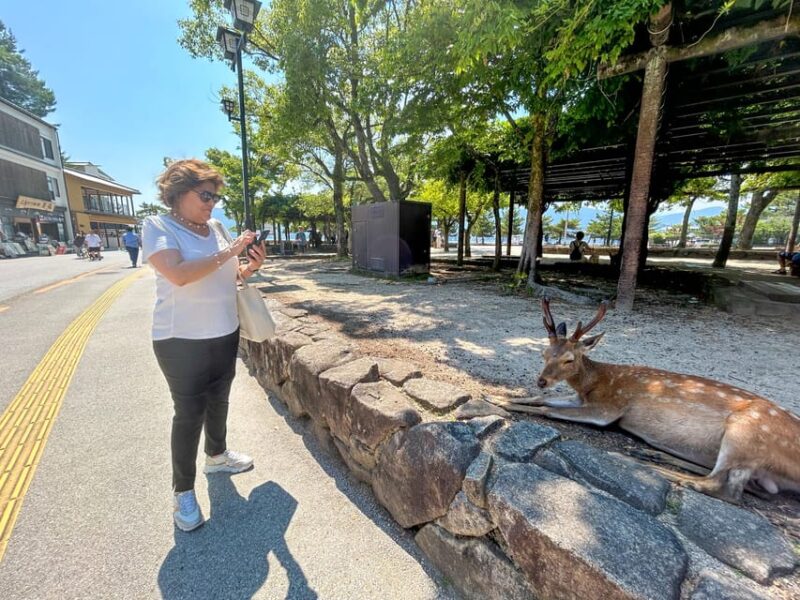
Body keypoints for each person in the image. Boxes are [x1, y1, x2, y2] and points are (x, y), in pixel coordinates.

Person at [142, 158, 266, 532]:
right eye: (205, 194)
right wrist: (231, 252)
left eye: (215, 195)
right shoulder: (158, 226)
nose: (213, 202)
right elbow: (178, 274)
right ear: (178, 193)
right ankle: (183, 492)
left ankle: (217, 454)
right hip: (180, 339)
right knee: (189, 413)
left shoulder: (216, 227)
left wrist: (250, 266)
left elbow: (228, 276)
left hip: (223, 330)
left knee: (220, 399)